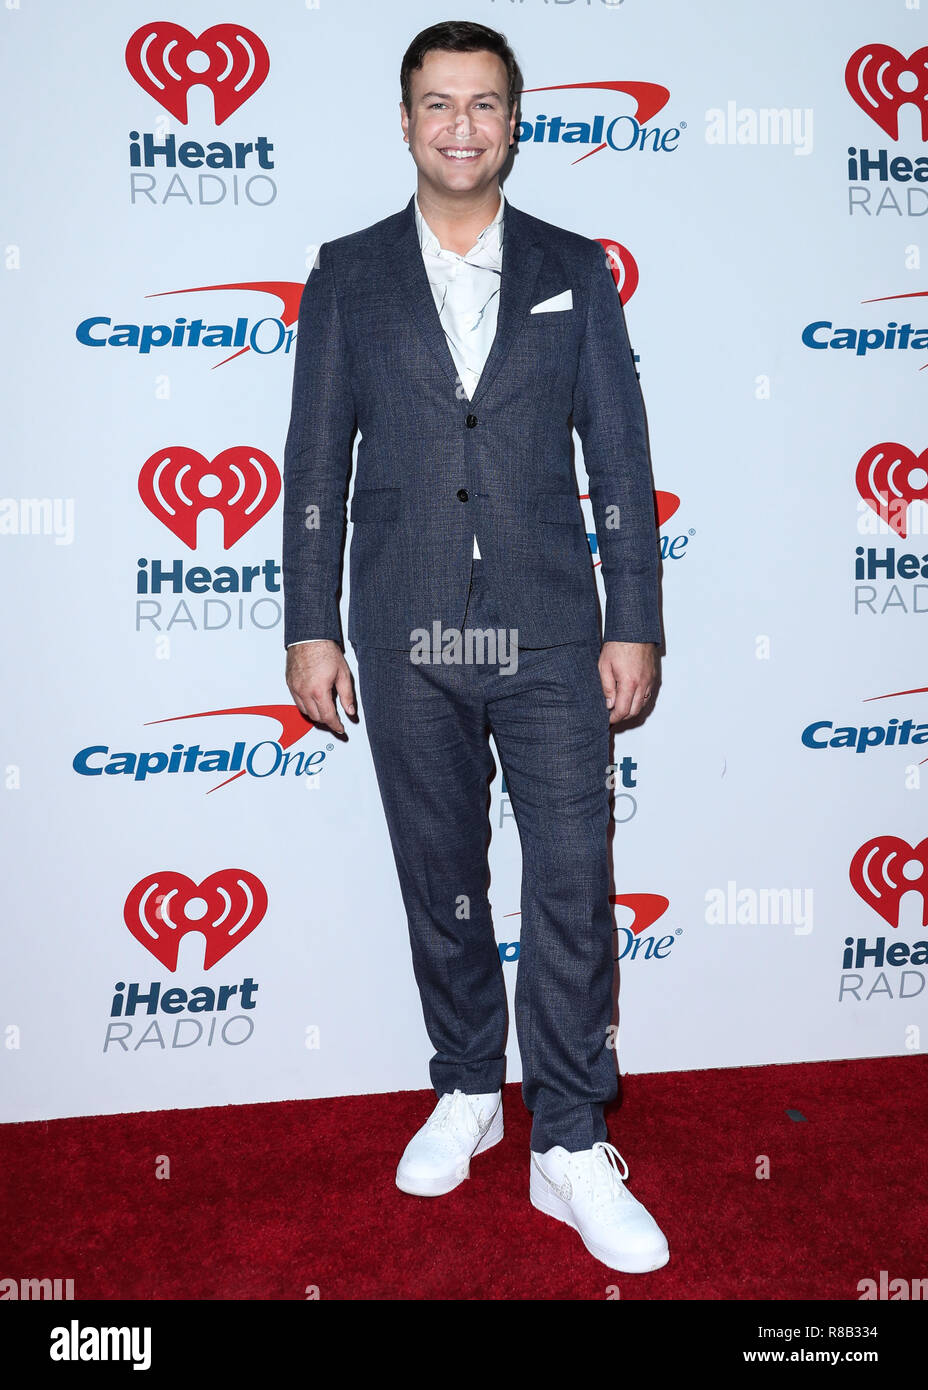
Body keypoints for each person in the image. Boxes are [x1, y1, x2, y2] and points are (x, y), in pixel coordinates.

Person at [282, 19, 668, 1274]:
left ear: (517, 120)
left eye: (483, 104)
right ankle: (466, 1084)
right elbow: (312, 469)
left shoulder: (573, 267)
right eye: (436, 104)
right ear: (405, 124)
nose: (460, 125)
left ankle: (568, 1135)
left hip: (553, 633)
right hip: (405, 626)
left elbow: (617, 459)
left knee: (569, 880)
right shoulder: (344, 273)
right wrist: (308, 625)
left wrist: (634, 618)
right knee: (440, 874)